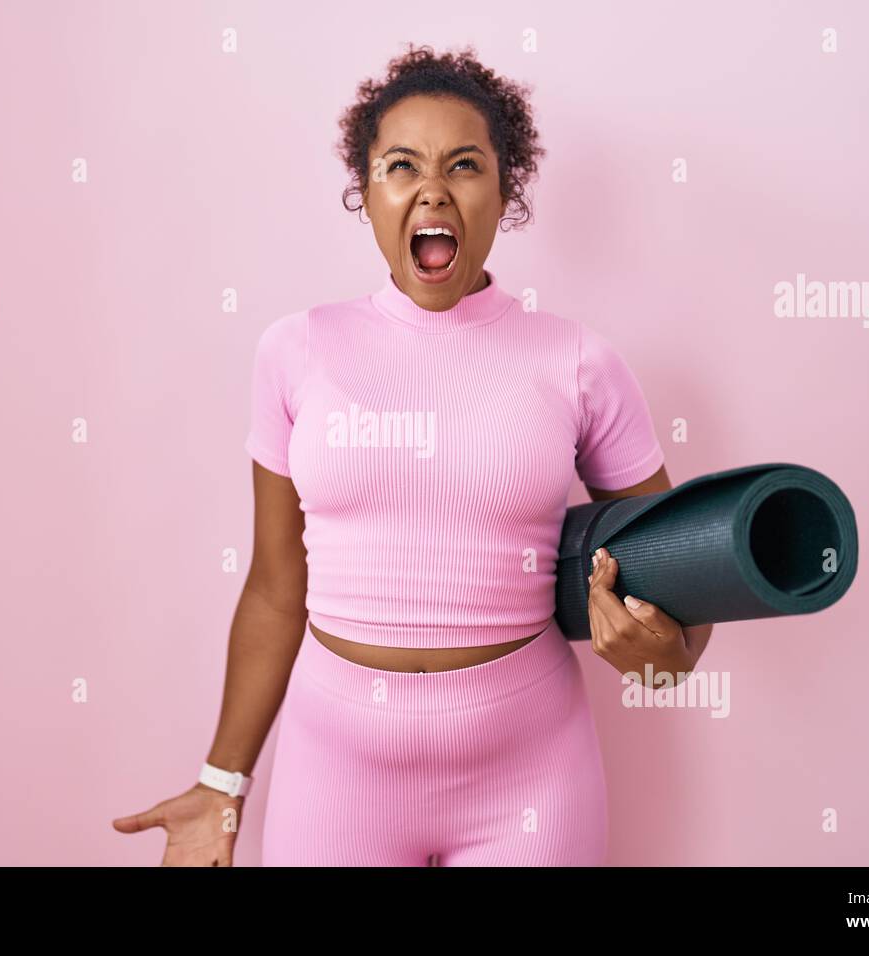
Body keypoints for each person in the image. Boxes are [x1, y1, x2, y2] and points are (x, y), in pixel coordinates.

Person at [113, 43, 714, 867]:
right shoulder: (296, 351)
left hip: (531, 774)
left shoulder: (577, 364)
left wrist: (668, 658)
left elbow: (685, 587)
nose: (433, 188)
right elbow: (274, 588)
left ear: (506, 192)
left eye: (465, 165)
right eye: (402, 166)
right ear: (366, 192)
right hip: (336, 774)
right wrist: (223, 782)